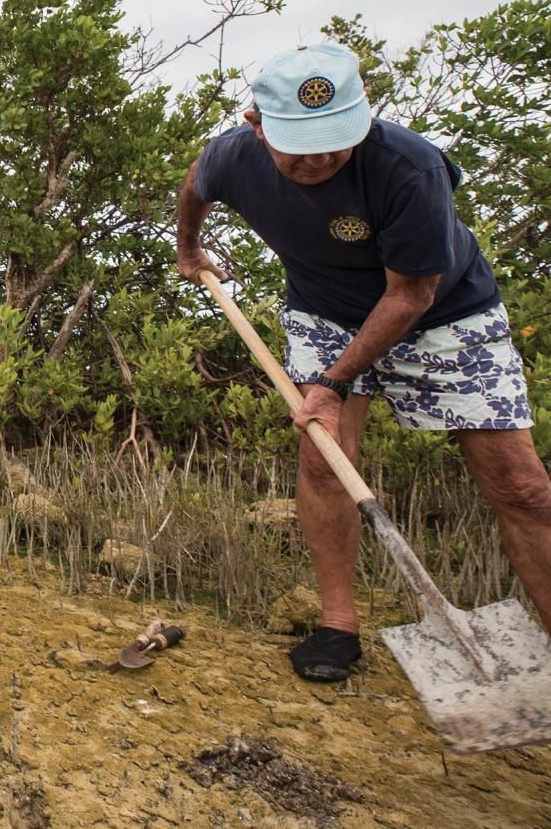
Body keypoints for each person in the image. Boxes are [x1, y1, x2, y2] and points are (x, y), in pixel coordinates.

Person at [176, 41, 551, 682]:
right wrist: (190, 251)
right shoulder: (232, 156)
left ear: (365, 111)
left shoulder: (410, 167)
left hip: (443, 316)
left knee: (520, 485)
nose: (320, 157)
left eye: (336, 138)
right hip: (325, 311)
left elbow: (410, 294)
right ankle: (338, 625)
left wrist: (331, 382)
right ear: (257, 124)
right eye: (301, 143)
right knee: (325, 463)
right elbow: (194, 187)